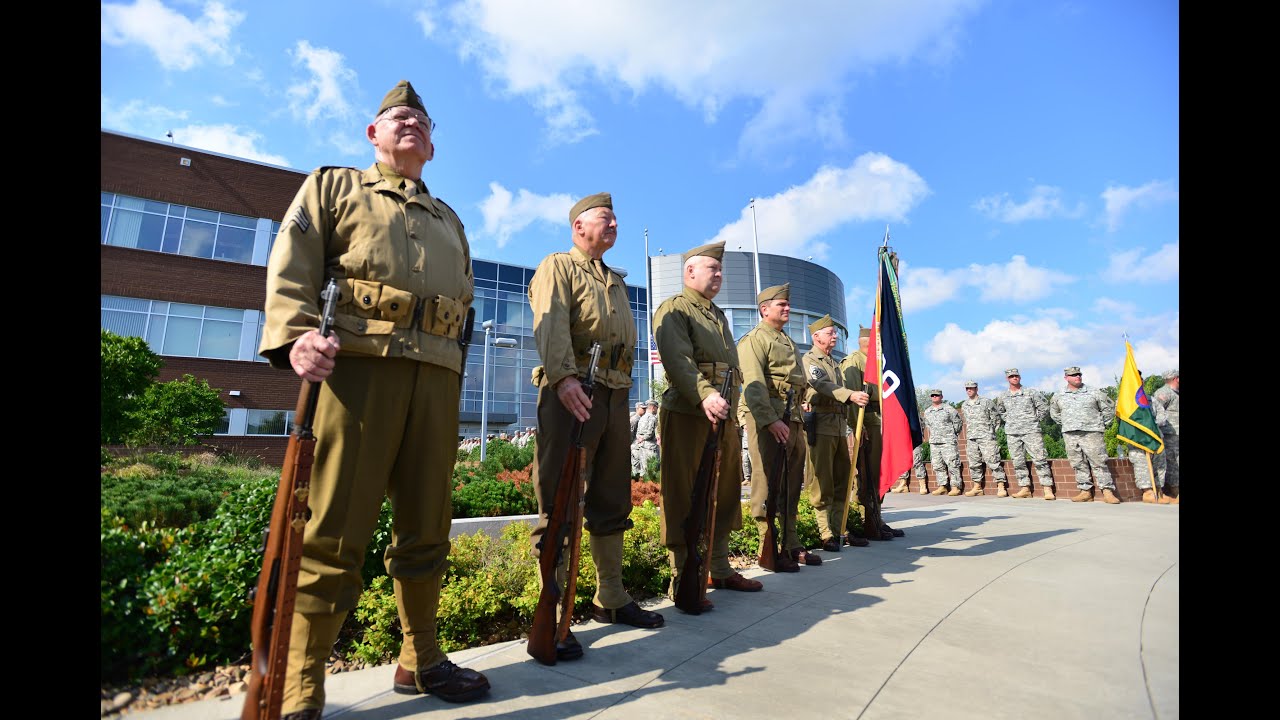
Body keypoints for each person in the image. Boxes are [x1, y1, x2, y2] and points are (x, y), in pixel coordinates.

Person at [257, 80, 489, 718]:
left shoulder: (450, 220)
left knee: (428, 527)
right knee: (333, 530)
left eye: (422, 121)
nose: (411, 124)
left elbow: (463, 304)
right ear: (373, 133)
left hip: (435, 379)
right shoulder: (335, 188)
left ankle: (422, 658)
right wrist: (297, 336)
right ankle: (300, 685)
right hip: (357, 372)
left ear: (432, 147)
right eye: (398, 117)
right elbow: (293, 261)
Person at [526, 191, 663, 663]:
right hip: (572, 392)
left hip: (613, 393)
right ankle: (552, 612)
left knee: (610, 497)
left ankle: (612, 597)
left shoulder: (615, 280)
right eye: (606, 218)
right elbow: (551, 325)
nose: (615, 224)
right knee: (560, 500)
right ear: (579, 226)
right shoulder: (559, 266)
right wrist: (564, 378)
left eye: (616, 219)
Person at [653, 240, 762, 609]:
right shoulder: (675, 308)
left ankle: (718, 567)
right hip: (689, 411)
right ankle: (683, 576)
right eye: (712, 268)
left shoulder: (717, 315)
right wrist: (704, 393)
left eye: (720, 270)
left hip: (723, 412)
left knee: (724, 491)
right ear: (690, 272)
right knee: (684, 493)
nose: (719, 275)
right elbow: (677, 359)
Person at [737, 283, 818, 572]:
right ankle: (767, 547)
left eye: (787, 304)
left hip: (792, 418)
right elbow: (753, 385)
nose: (787, 308)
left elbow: (800, 382)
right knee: (766, 482)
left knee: (791, 484)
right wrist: (770, 420)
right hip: (769, 419)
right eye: (781, 304)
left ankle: (791, 543)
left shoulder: (788, 342)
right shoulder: (754, 340)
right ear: (764, 309)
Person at [802, 316, 870, 552]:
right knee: (822, 480)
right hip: (821, 426)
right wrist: (850, 394)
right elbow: (822, 385)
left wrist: (854, 421)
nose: (835, 336)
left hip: (838, 426)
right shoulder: (810, 360)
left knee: (843, 479)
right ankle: (825, 533)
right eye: (830, 332)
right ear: (816, 336)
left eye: (835, 332)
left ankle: (840, 529)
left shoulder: (834, 363)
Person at [839, 325, 897, 541]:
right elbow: (854, 399)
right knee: (867, 474)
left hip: (880, 422)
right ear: (868, 342)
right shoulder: (853, 362)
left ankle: (877, 517)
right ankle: (868, 519)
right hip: (867, 424)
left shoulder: (878, 363)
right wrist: (858, 426)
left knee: (879, 473)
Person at [1049, 366, 1119, 504]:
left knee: (1099, 461)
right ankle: (1085, 491)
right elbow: (1054, 413)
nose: (1078, 377)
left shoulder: (1094, 392)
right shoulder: (1058, 395)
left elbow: (1108, 410)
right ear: (1066, 378)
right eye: (1074, 375)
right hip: (1070, 433)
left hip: (1092, 432)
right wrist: (1068, 423)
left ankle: (1107, 491)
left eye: (1079, 374)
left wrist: (1099, 424)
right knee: (1077, 463)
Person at [993, 368, 1054, 499]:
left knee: (1040, 459)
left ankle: (1047, 488)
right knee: (1018, 461)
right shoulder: (1003, 396)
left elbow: (1044, 407)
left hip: (1031, 431)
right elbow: (1001, 411)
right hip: (1013, 432)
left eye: (1016, 376)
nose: (1014, 378)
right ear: (1007, 379)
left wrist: (1034, 420)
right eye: (1011, 376)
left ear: (1019, 377)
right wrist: (1010, 420)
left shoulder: (1031, 392)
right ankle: (1024, 488)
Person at [959, 380, 1009, 496]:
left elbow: (996, 419)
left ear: (976, 389)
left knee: (993, 461)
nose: (969, 390)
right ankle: (977, 487)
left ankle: (1001, 486)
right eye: (967, 388)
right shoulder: (964, 405)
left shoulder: (986, 402)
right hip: (972, 438)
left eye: (971, 388)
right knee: (974, 463)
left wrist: (991, 432)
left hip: (986, 437)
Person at [922, 389, 963, 496]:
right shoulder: (927, 411)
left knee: (952, 463)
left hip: (948, 441)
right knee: (937, 465)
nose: (934, 397)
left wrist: (952, 434)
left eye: (937, 395)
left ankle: (955, 487)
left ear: (941, 396)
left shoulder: (949, 409)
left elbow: (958, 423)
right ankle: (942, 486)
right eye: (933, 395)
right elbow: (928, 425)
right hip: (935, 442)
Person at [1151, 369, 1179, 504]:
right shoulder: (1163, 393)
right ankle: (1174, 490)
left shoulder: (1175, 393)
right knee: (1172, 461)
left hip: (1176, 434)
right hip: (1169, 435)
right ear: (1176, 379)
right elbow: (1155, 411)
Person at [632, 400, 658, 477]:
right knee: (653, 469)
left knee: (643, 469)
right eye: (656, 408)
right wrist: (643, 438)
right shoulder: (653, 418)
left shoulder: (642, 418)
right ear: (653, 408)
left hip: (641, 446)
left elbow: (637, 432)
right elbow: (650, 433)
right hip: (650, 447)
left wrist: (640, 438)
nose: (657, 410)